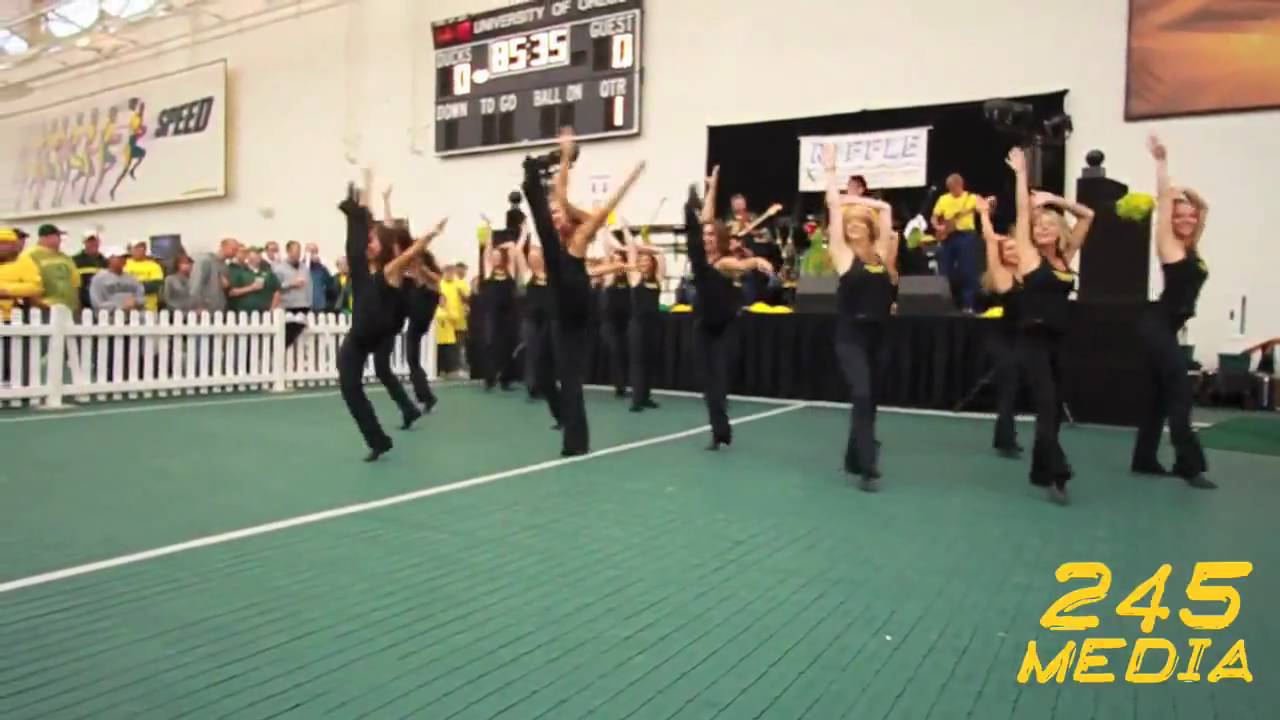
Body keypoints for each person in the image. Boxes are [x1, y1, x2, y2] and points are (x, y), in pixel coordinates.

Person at [522, 128, 644, 456]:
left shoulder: (578, 240)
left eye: (560, 213)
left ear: (569, 218)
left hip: (576, 315)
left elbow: (603, 211)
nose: (556, 214)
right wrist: (564, 158)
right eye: (554, 212)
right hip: (557, 309)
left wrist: (630, 180)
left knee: (570, 378)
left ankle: (577, 442)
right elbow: (560, 191)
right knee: (544, 373)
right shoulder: (552, 243)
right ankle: (563, 417)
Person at [1005, 147, 1095, 505]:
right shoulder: (1028, 257)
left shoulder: (1065, 256)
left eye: (1048, 224)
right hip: (1033, 340)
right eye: (1037, 225)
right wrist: (1021, 174)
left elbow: (1087, 215)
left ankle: (1040, 470)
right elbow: (1022, 211)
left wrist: (1055, 199)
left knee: (1055, 409)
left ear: (1058, 229)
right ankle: (1058, 472)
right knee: (1046, 404)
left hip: (1061, 339)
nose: (1041, 228)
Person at [336, 170, 445, 461]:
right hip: (357, 339)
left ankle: (409, 408)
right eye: (368, 240)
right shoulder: (359, 270)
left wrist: (431, 234)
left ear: (383, 246)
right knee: (349, 387)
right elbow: (355, 242)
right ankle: (378, 440)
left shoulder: (392, 271)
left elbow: (412, 251)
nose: (368, 244)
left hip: (382, 333)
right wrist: (362, 202)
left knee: (383, 368)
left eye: (373, 241)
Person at [1131, 136, 1214, 489]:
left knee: (1158, 397)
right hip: (1156, 326)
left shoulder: (1190, 248)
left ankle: (1144, 459)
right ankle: (1188, 464)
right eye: (1180, 215)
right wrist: (1162, 164)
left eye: (1191, 215)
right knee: (1180, 392)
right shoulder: (1168, 243)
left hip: (1165, 326)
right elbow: (1164, 202)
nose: (1185, 219)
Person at [684, 166, 774, 450]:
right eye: (705, 235)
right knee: (707, 384)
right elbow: (703, 222)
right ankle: (719, 431)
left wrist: (756, 262)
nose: (708, 237)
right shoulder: (700, 261)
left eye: (712, 235)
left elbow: (739, 264)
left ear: (719, 238)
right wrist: (712, 188)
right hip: (702, 326)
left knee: (719, 379)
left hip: (725, 327)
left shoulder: (723, 262)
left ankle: (720, 431)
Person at [823, 147, 896, 489]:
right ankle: (868, 464)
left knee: (870, 398)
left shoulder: (880, 253)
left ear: (867, 227)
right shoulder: (842, 255)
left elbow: (888, 210)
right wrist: (831, 170)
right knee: (863, 393)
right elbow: (834, 209)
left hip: (879, 335)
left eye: (857, 223)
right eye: (848, 223)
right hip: (850, 335)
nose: (851, 226)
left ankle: (855, 457)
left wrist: (866, 204)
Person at [976, 195, 1025, 458]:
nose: (1012, 251)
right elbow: (989, 241)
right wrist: (985, 215)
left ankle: (1004, 435)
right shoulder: (1002, 275)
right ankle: (1005, 438)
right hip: (1003, 336)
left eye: (1014, 247)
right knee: (1009, 381)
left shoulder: (1031, 272)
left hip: (1026, 335)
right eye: (1006, 249)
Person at [623, 220, 665, 412]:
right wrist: (626, 229)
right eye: (641, 260)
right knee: (637, 362)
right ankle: (636, 400)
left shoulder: (658, 279)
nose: (643, 262)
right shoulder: (634, 277)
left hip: (653, 326)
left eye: (647, 260)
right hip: (637, 326)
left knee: (649, 361)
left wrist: (646, 246)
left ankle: (646, 396)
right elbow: (631, 248)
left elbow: (661, 253)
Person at [512, 229, 552, 400]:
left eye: (537, 255)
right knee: (533, 351)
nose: (533, 258)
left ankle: (545, 384)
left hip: (548, 320)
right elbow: (517, 252)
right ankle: (532, 386)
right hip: (531, 320)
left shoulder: (551, 276)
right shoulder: (529, 275)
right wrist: (524, 234)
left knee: (545, 352)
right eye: (532, 256)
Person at [932, 172, 980, 313]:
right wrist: (938, 226)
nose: (952, 191)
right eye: (949, 188)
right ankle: (944, 304)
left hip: (966, 236)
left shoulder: (971, 198)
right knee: (944, 270)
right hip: (948, 237)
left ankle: (968, 305)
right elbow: (934, 217)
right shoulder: (943, 199)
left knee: (967, 270)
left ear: (961, 185)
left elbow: (984, 210)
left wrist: (989, 205)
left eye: (954, 187)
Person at [25, 224, 81, 315]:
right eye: (57, 236)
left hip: (69, 309)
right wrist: (39, 304)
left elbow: (75, 282)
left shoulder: (65, 257)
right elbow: (28, 283)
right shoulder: (31, 255)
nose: (60, 239)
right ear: (45, 237)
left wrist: (77, 304)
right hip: (45, 309)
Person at [73, 233, 107, 311]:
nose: (93, 244)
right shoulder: (75, 260)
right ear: (84, 243)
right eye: (89, 241)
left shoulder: (104, 261)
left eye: (95, 241)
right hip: (83, 304)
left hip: (102, 304)